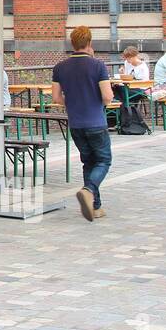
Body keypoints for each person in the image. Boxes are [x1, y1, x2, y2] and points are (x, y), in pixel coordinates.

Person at [51, 26, 113, 222]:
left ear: (72, 43)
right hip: (95, 121)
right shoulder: (98, 66)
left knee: (88, 162)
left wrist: (73, 102)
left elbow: (56, 97)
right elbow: (107, 96)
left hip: (76, 123)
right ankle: (89, 189)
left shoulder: (60, 67)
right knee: (103, 160)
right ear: (89, 43)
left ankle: (95, 206)